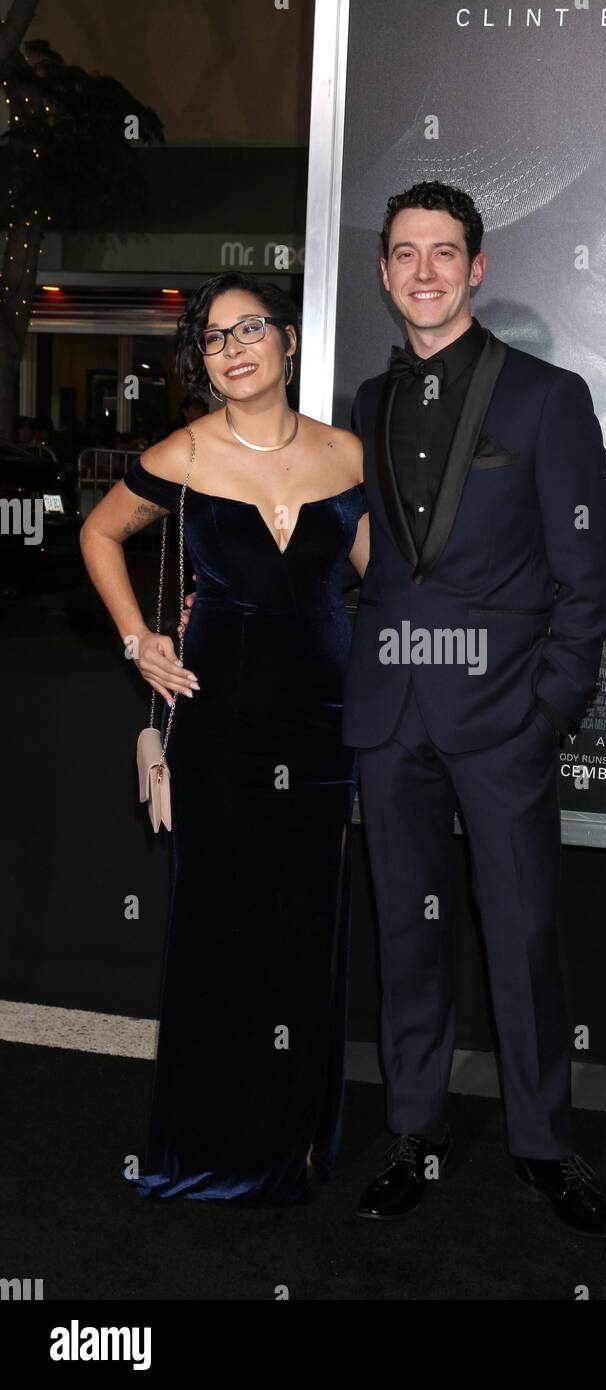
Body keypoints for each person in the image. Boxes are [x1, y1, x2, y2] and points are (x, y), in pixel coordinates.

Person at [343, 181, 606, 1235]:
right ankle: (415, 1135)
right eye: (404, 253)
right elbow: (361, 556)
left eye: (443, 252)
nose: (423, 271)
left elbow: (585, 572)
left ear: (476, 268)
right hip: (389, 714)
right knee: (406, 938)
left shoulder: (546, 398)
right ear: (382, 272)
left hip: (502, 715)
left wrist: (551, 706)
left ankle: (544, 1145)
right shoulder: (364, 407)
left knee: (520, 935)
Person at [79, 271, 369, 1205]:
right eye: (212, 338)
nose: (234, 347)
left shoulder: (350, 455)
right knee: (218, 939)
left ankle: (296, 1145)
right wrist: (141, 639)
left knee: (305, 938)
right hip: (222, 732)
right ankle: (208, 1150)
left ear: (287, 341)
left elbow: (392, 580)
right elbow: (98, 532)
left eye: (250, 329)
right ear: (201, 362)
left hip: (325, 729)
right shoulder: (186, 454)